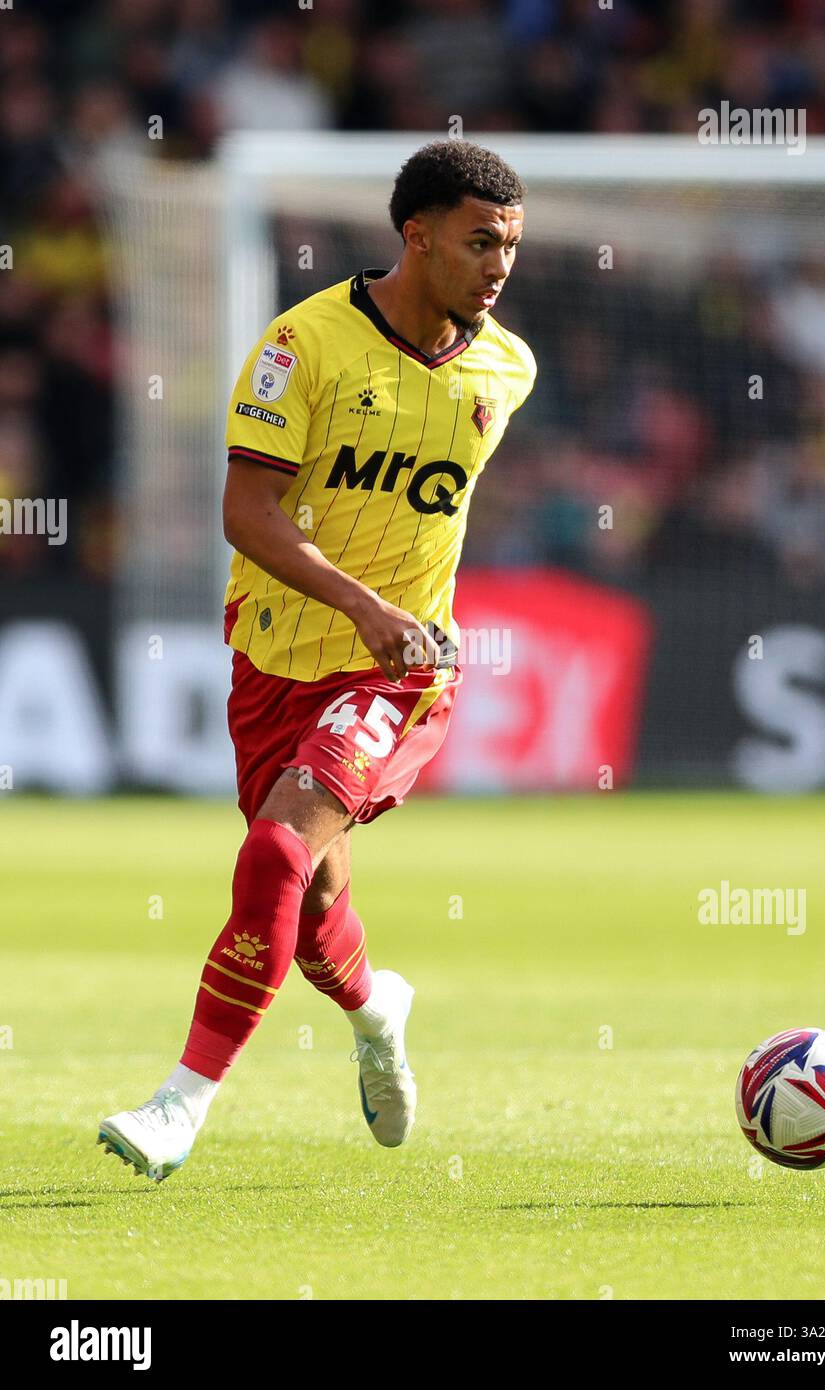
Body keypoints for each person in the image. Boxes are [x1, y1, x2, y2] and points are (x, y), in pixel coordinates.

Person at [97, 139, 537, 1180]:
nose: (498, 266)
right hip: (275, 661)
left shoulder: (501, 368)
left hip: (401, 667)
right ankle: (377, 1008)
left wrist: (396, 621)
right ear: (416, 235)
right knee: (305, 916)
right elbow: (245, 511)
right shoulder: (304, 348)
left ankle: (179, 1104)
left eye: (510, 246)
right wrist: (358, 601)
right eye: (480, 242)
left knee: (275, 856)